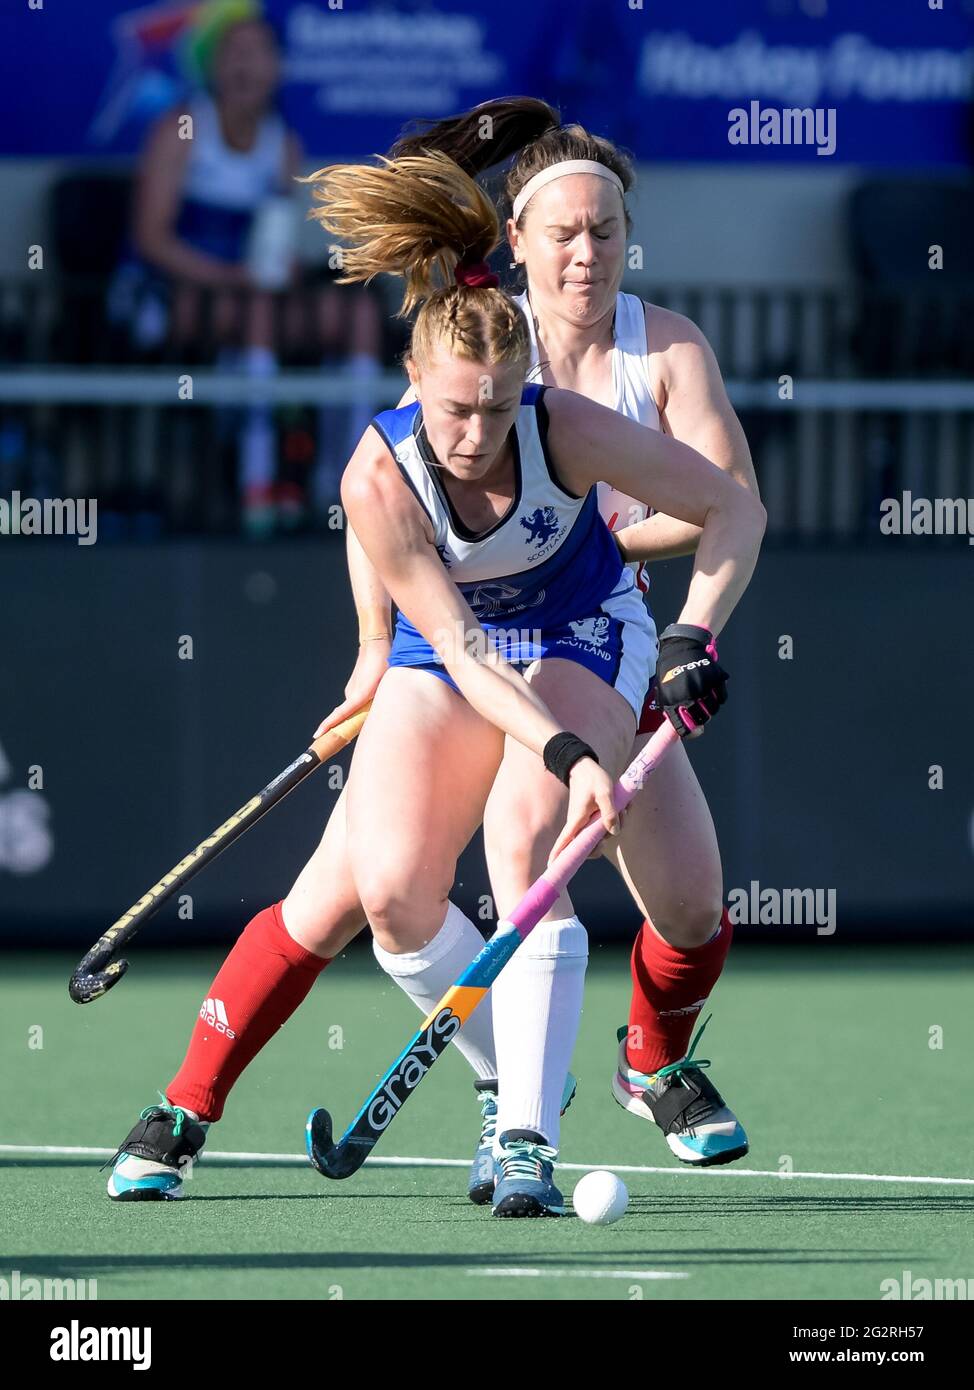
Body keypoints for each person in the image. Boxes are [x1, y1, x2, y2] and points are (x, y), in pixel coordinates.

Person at [105, 142, 764, 1218]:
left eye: (496, 414)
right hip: (450, 641)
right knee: (387, 888)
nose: (475, 437)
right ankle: (503, 1075)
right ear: (412, 383)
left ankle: (524, 1143)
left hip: (582, 629)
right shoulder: (380, 462)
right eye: (454, 412)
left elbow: (732, 504)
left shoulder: (567, 412)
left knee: (538, 854)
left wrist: (690, 632)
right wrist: (378, 649)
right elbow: (448, 637)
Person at [107, 11, 382, 532]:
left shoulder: (284, 143)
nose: (245, 67)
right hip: (167, 294)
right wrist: (233, 279)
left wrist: (283, 271)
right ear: (212, 65)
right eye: (233, 53)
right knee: (256, 312)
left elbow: (275, 245)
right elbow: (151, 239)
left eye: (258, 53)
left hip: (247, 296)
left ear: (276, 68)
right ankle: (255, 488)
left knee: (356, 316)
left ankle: (346, 485)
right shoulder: (181, 128)